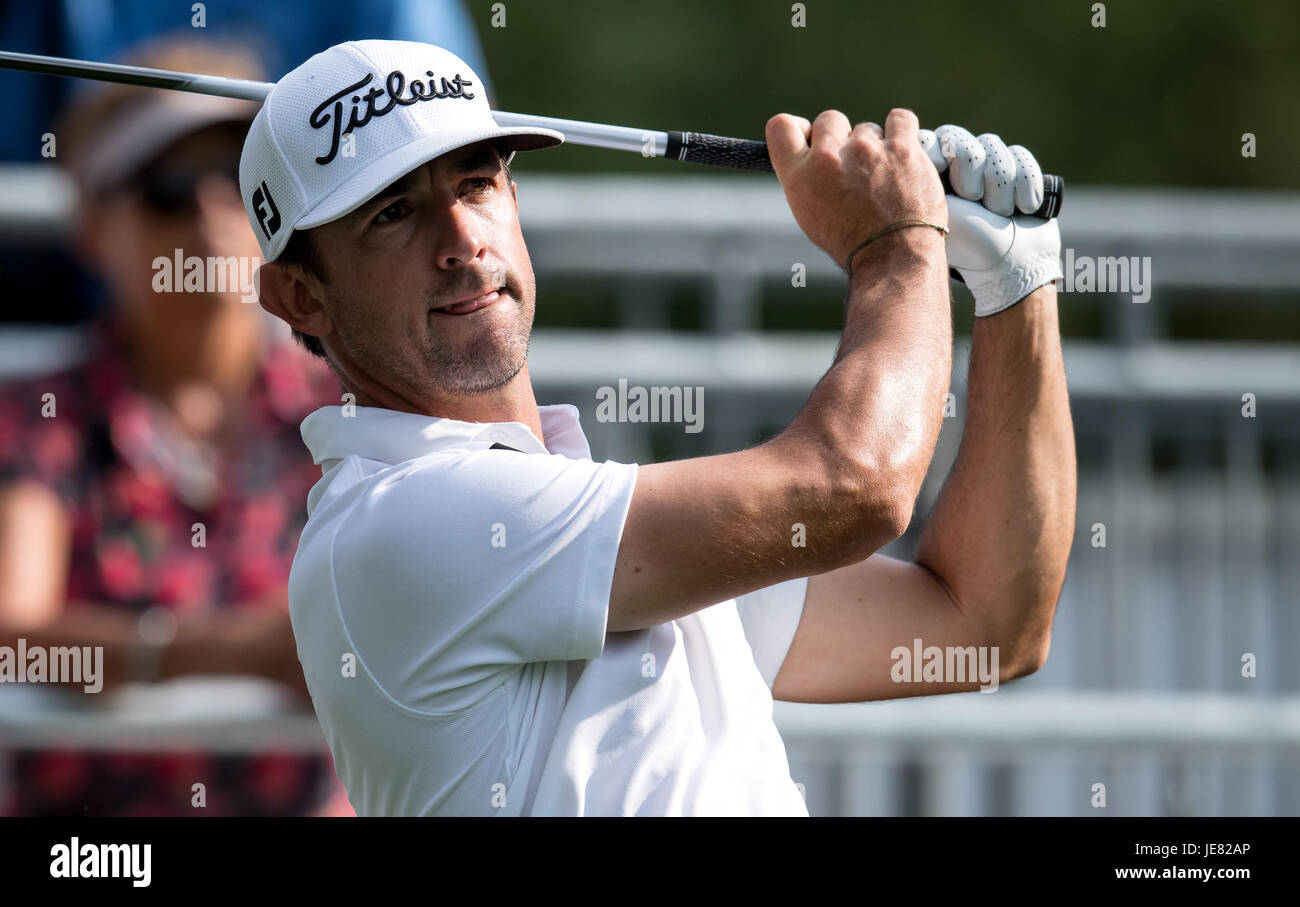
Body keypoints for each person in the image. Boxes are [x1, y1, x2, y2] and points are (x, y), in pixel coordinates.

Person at [248, 39, 1077, 816]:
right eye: (392, 213)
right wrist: (898, 246)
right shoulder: (395, 521)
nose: (463, 239)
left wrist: (1015, 281)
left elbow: (983, 620)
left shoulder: (595, 513)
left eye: (476, 184)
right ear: (300, 297)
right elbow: (853, 485)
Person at [0, 39, 345, 816]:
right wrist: (238, 650)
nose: (210, 210)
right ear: (93, 230)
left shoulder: (350, 405)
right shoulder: (42, 417)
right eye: (169, 186)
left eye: (237, 177)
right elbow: (12, 636)